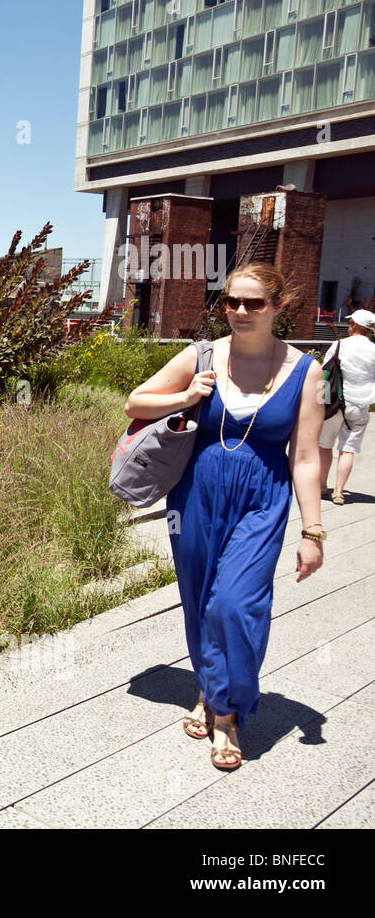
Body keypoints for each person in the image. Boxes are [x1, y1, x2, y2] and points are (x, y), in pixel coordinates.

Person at [123, 263, 325, 772]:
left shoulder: (306, 371)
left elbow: (304, 457)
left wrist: (313, 530)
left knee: (235, 604)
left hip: (262, 498)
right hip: (196, 495)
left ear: (279, 307)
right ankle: (210, 689)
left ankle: (228, 714)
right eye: (231, 301)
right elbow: (136, 401)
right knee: (199, 600)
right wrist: (188, 395)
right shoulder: (203, 355)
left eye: (253, 303)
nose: (239, 311)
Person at [318, 309, 375, 504]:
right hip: (360, 405)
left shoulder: (339, 345)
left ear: (355, 325)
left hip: (335, 404)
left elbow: (323, 375)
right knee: (347, 449)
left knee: (325, 445)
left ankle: (322, 487)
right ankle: (339, 492)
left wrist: (319, 403)